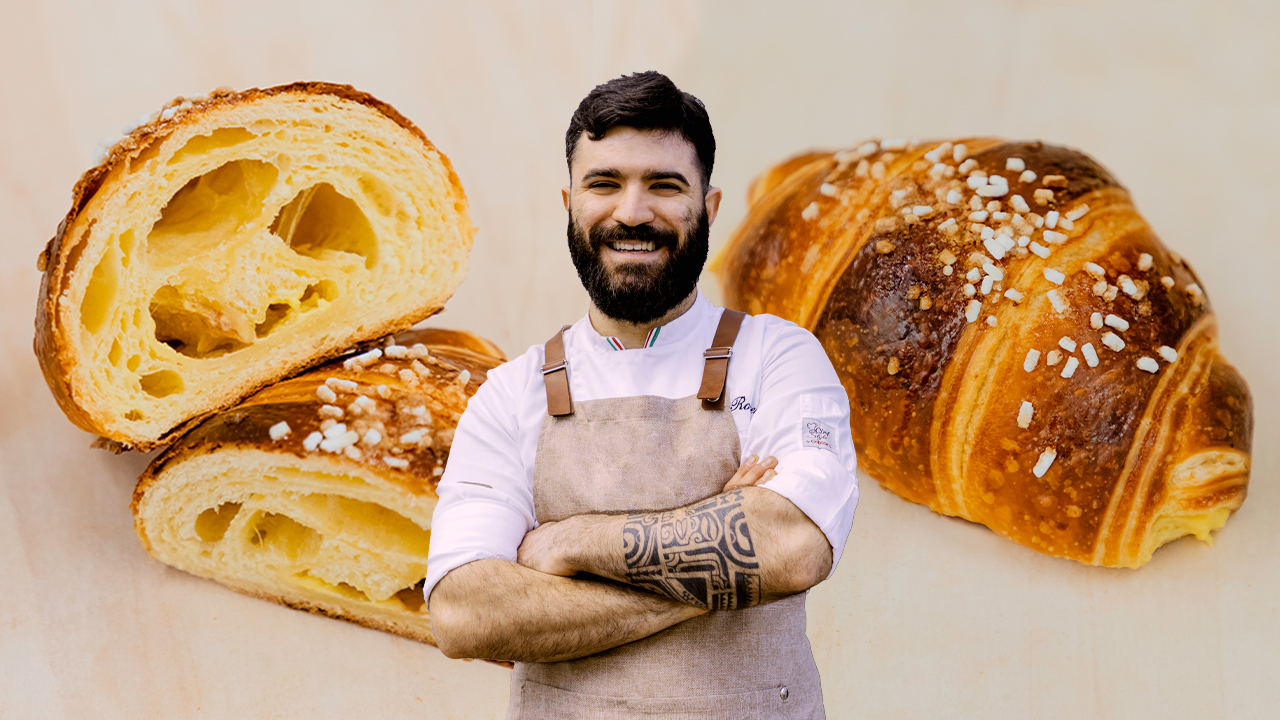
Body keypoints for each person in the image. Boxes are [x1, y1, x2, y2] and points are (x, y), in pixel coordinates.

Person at [425, 71, 858, 719]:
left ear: (707, 209)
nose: (632, 211)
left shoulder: (778, 357)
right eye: (605, 184)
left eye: (663, 185)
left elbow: (792, 545)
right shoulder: (509, 394)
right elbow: (464, 614)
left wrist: (570, 545)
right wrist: (723, 564)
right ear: (570, 202)